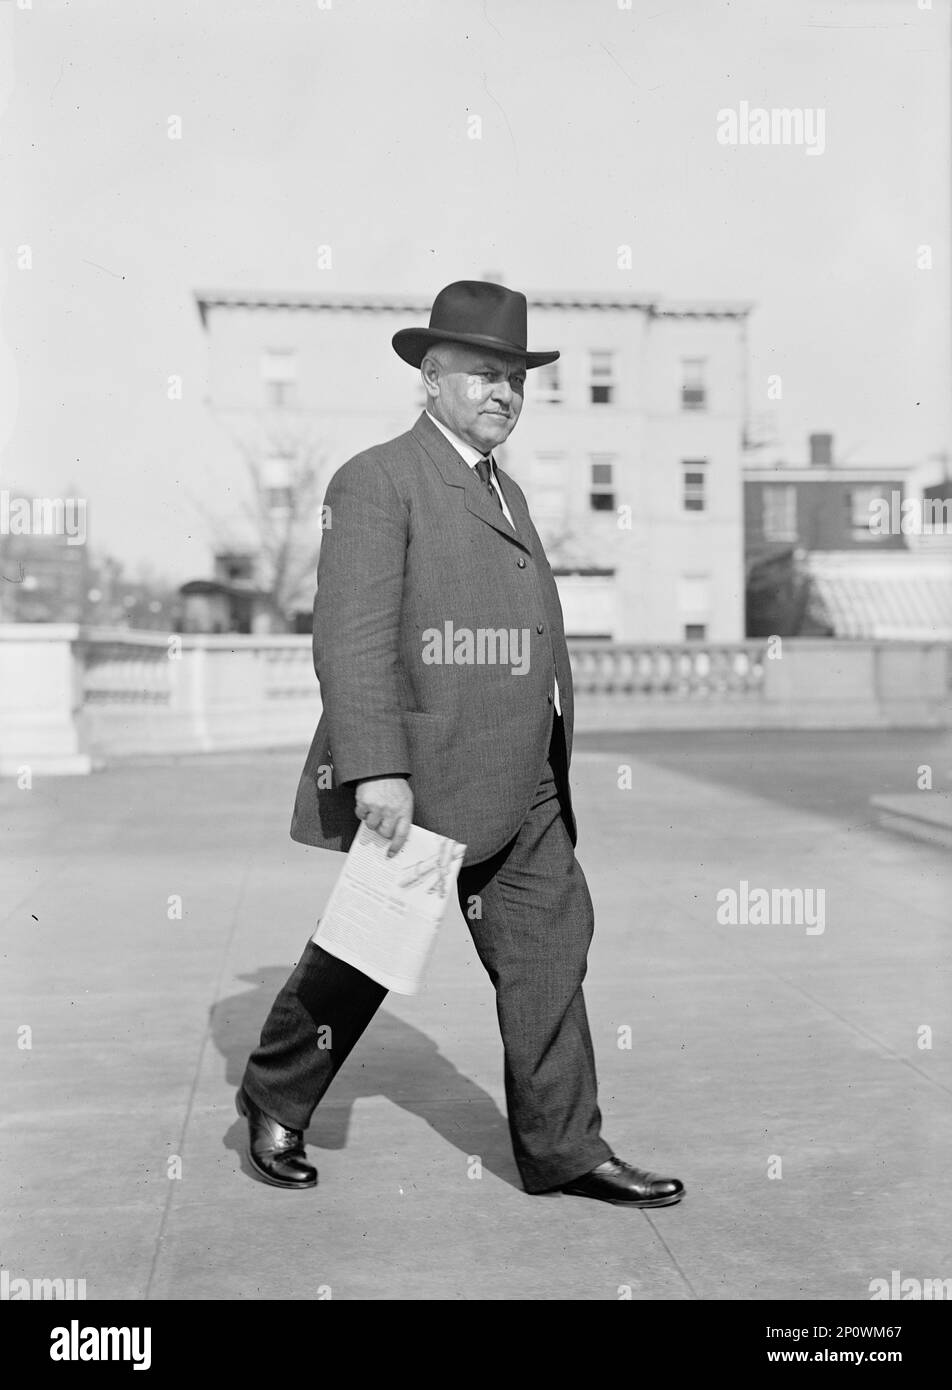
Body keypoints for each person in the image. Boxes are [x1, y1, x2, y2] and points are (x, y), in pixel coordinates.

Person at [236, 279, 685, 1209]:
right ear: (430, 378)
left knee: (551, 951)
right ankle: (275, 1095)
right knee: (368, 954)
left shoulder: (508, 491)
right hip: (427, 773)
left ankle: (565, 1149)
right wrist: (379, 769)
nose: (502, 394)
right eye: (482, 374)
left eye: (515, 378)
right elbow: (351, 637)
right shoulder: (378, 478)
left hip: (527, 778)